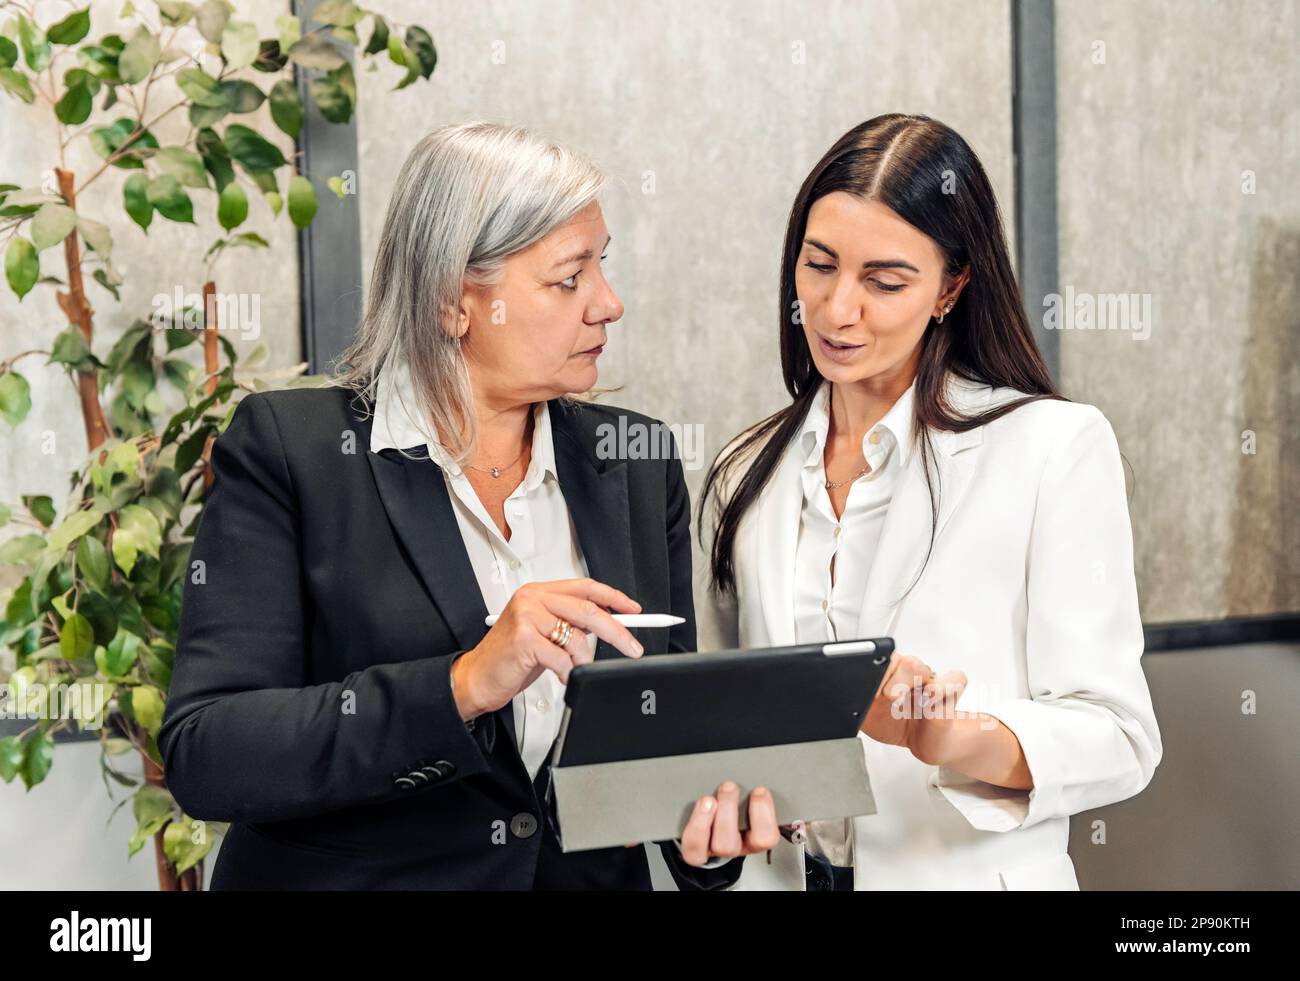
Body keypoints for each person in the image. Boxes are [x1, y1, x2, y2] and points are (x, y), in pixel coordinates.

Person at [159, 122, 778, 890]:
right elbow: (211, 752)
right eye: (568, 278)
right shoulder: (293, 451)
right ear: (455, 301)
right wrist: (463, 682)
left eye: (602, 267)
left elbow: (659, 742)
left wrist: (707, 839)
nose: (609, 304)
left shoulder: (635, 462)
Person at [699, 113, 1163, 890]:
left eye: (884, 281)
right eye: (818, 266)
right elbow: (719, 718)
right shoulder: (744, 471)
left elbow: (1119, 735)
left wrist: (952, 737)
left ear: (952, 285)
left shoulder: (1053, 448)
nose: (838, 309)